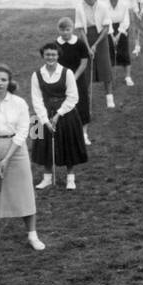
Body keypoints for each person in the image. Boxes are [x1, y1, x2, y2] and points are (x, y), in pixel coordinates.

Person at [0, 66, 45, 251]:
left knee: (24, 192)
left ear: (9, 82)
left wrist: (7, 159)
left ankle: (32, 235)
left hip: (16, 150)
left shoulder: (19, 102)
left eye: (3, 79)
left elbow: (22, 131)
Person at [31, 42, 87, 190]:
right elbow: (36, 99)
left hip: (66, 112)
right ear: (43, 55)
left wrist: (57, 116)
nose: (50, 57)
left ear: (58, 56)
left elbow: (73, 97)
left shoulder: (67, 72)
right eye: (47, 54)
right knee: (43, 144)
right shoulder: (36, 75)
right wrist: (44, 120)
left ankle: (70, 178)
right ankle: (47, 178)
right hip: (43, 112)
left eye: (53, 54)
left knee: (69, 144)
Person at [75, 0, 114, 110]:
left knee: (105, 67)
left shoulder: (103, 6)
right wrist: (87, 47)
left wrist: (95, 45)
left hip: (101, 38)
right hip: (86, 37)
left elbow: (106, 27)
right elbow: (80, 29)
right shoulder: (79, 7)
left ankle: (109, 98)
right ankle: (84, 98)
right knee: (86, 69)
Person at [55, 18, 92, 147]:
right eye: (62, 30)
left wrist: (74, 77)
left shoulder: (80, 43)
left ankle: (84, 134)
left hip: (78, 77)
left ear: (72, 29)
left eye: (67, 29)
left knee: (82, 103)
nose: (65, 33)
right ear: (58, 30)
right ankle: (64, 133)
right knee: (62, 104)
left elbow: (84, 63)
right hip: (61, 78)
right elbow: (54, 62)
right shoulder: (56, 44)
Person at [106, 0, 134, 90]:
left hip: (122, 29)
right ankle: (110, 77)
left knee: (124, 53)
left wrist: (118, 34)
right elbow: (107, 21)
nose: (113, 1)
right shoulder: (105, 6)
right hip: (108, 29)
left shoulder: (124, 5)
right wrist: (111, 35)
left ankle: (128, 77)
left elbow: (125, 20)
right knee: (110, 54)